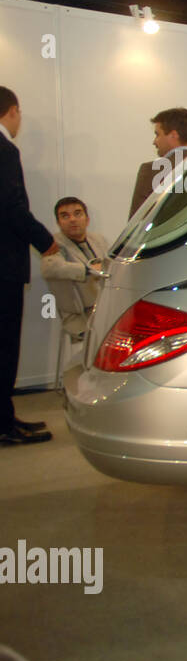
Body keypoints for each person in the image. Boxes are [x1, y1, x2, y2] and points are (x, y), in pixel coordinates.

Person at [0, 86, 58, 446]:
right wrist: (45, 240)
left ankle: (5, 417)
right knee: (5, 346)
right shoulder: (5, 149)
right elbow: (12, 207)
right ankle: (5, 425)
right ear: (12, 111)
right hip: (3, 265)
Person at [41, 197, 109, 339]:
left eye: (77, 214)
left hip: (106, 308)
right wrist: (87, 270)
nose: (72, 219)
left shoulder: (99, 239)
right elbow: (50, 268)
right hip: (79, 315)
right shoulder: (53, 243)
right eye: (65, 216)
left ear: (87, 219)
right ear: (58, 223)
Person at [129, 107, 187, 217]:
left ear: (174, 135)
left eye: (157, 134)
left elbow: (136, 222)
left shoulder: (151, 171)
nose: (154, 141)